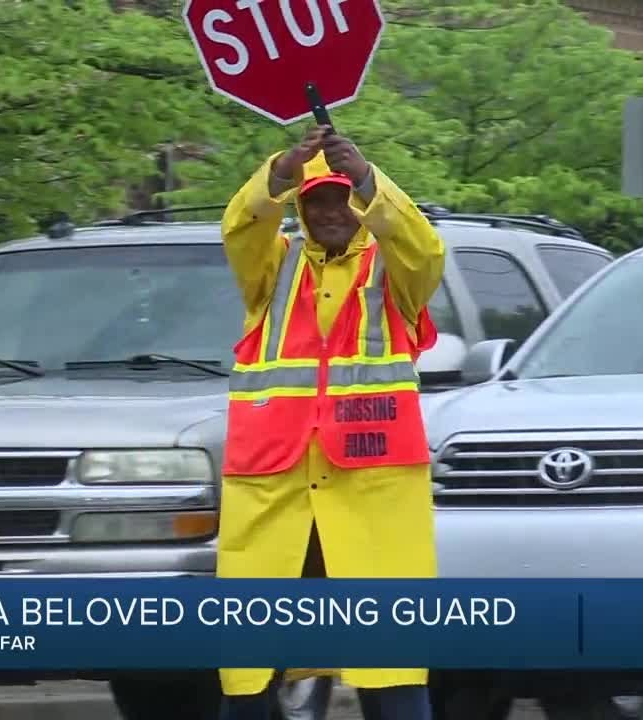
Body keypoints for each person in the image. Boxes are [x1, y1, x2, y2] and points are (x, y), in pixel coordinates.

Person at [216, 124, 446, 720]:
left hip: (370, 494)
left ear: (362, 203)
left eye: (343, 197)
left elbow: (425, 249)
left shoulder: (395, 276)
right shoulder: (272, 273)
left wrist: (370, 176)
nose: (331, 211)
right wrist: (280, 171)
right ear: (300, 206)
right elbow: (241, 228)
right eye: (316, 200)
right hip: (276, 493)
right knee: (251, 665)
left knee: (391, 662)